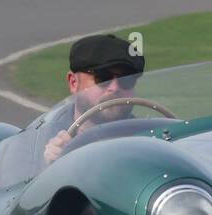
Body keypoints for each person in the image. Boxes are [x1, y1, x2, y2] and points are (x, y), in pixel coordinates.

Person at [42, 33, 145, 163]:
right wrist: (50, 168)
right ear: (74, 83)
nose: (114, 87)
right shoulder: (40, 139)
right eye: (103, 77)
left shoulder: (149, 138)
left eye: (126, 80)